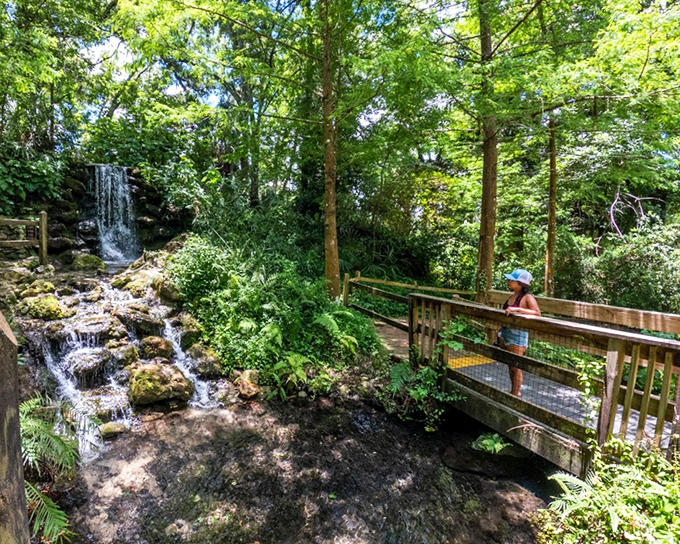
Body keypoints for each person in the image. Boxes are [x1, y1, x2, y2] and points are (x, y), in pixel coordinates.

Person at [497, 268, 541, 397]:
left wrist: (517, 309)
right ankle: (514, 391)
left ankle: (515, 394)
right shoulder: (512, 295)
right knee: (510, 365)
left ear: (521, 284)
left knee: (516, 367)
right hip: (506, 332)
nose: (508, 281)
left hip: (518, 334)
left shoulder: (528, 297)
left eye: (512, 280)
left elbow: (537, 313)